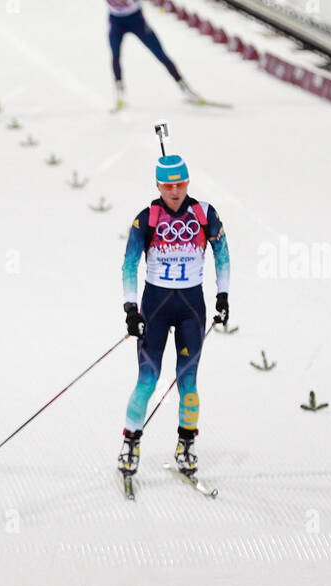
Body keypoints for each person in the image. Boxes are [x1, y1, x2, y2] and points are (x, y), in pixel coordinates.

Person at [118, 153, 230, 477]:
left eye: (180, 183)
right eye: (168, 185)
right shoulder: (147, 218)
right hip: (154, 307)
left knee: (189, 382)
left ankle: (186, 444)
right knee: (147, 381)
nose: (175, 190)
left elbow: (223, 257)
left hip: (191, 309)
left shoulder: (204, 214)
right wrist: (129, 309)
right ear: (158, 184)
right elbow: (129, 264)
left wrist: (223, 295)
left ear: (188, 182)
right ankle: (130, 444)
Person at [105, 0, 200, 109]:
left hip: (136, 21)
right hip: (116, 22)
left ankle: (185, 88)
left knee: (160, 54)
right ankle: (119, 93)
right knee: (115, 55)